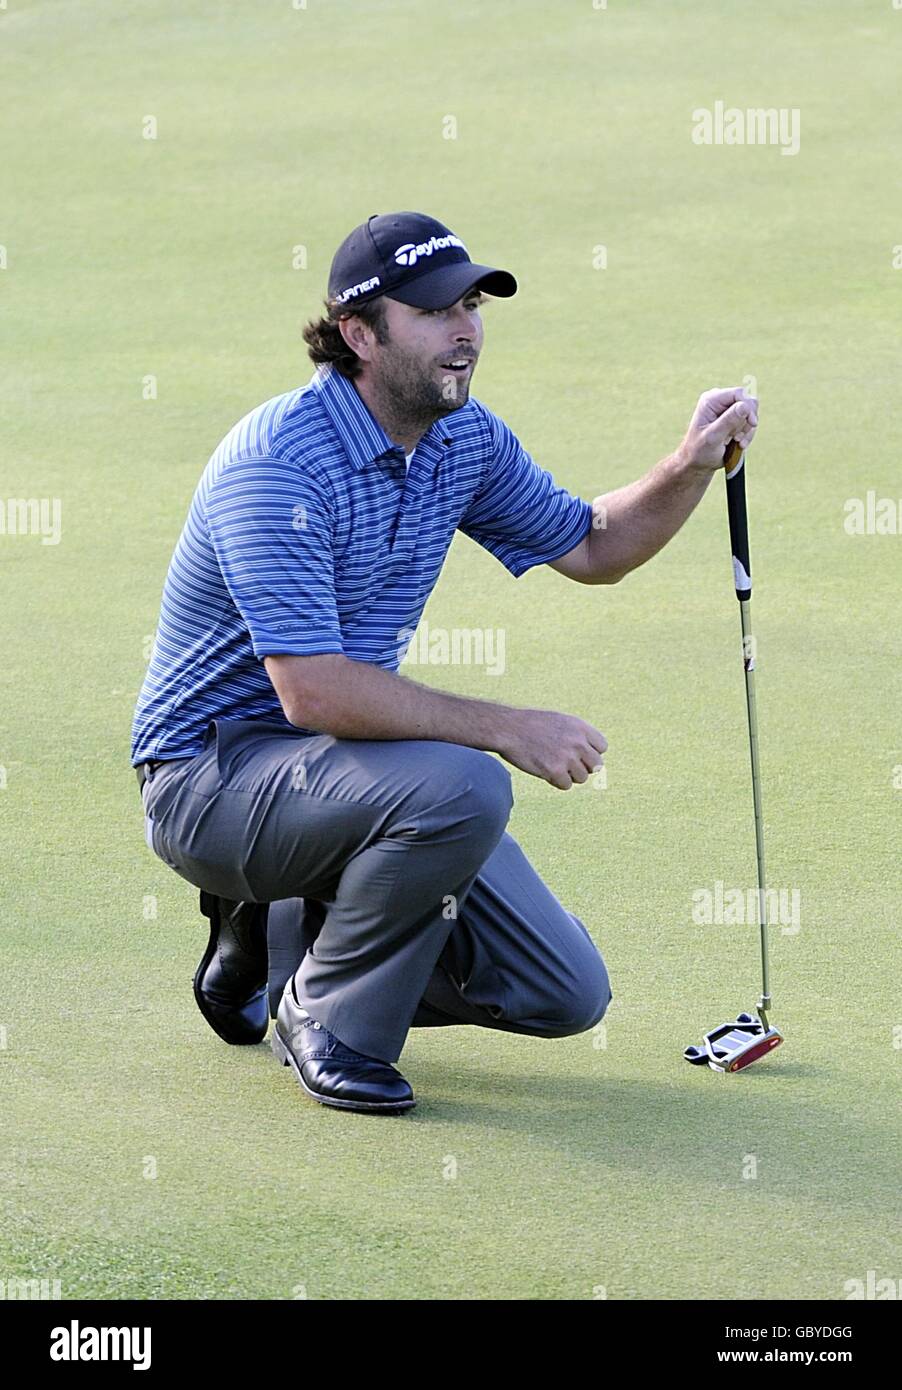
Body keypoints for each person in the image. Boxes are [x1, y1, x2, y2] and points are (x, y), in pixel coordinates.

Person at [130, 210, 758, 1116]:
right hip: (208, 776)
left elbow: (595, 545)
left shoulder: (460, 440)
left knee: (561, 991)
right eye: (432, 311)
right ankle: (331, 1018)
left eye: (471, 303)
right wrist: (505, 728)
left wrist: (690, 466)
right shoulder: (278, 463)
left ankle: (284, 937)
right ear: (359, 334)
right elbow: (308, 692)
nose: (464, 328)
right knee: (461, 785)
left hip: (344, 774)